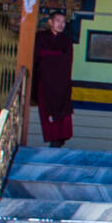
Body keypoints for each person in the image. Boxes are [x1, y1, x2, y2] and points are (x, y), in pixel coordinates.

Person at [33, 10, 74, 147]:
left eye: (63, 22)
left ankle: (58, 141)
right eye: (58, 21)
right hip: (44, 81)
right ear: (50, 22)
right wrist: (56, 55)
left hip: (62, 83)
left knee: (62, 113)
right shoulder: (40, 37)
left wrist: (48, 56)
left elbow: (66, 60)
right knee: (47, 112)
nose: (61, 24)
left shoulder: (67, 41)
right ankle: (53, 140)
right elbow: (38, 55)